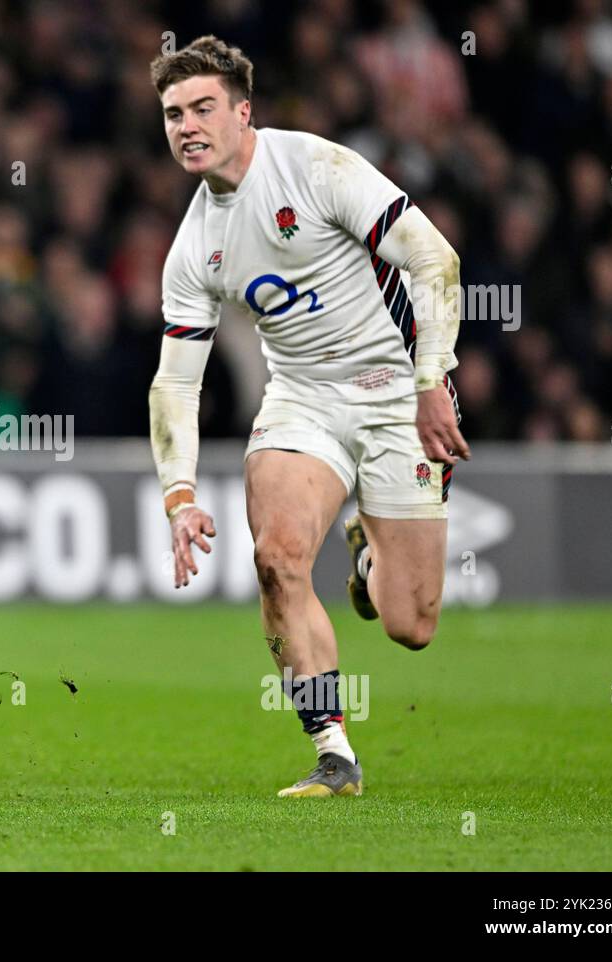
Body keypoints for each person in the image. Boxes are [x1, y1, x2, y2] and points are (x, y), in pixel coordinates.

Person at [146, 36, 469, 797]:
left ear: (242, 111)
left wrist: (432, 381)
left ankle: (369, 557)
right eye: (171, 115)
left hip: (397, 390)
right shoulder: (194, 246)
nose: (186, 126)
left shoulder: (316, 167)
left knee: (409, 625)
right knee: (276, 557)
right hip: (302, 400)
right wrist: (179, 493)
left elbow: (436, 259)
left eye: (201, 109)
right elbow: (174, 384)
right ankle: (334, 752)